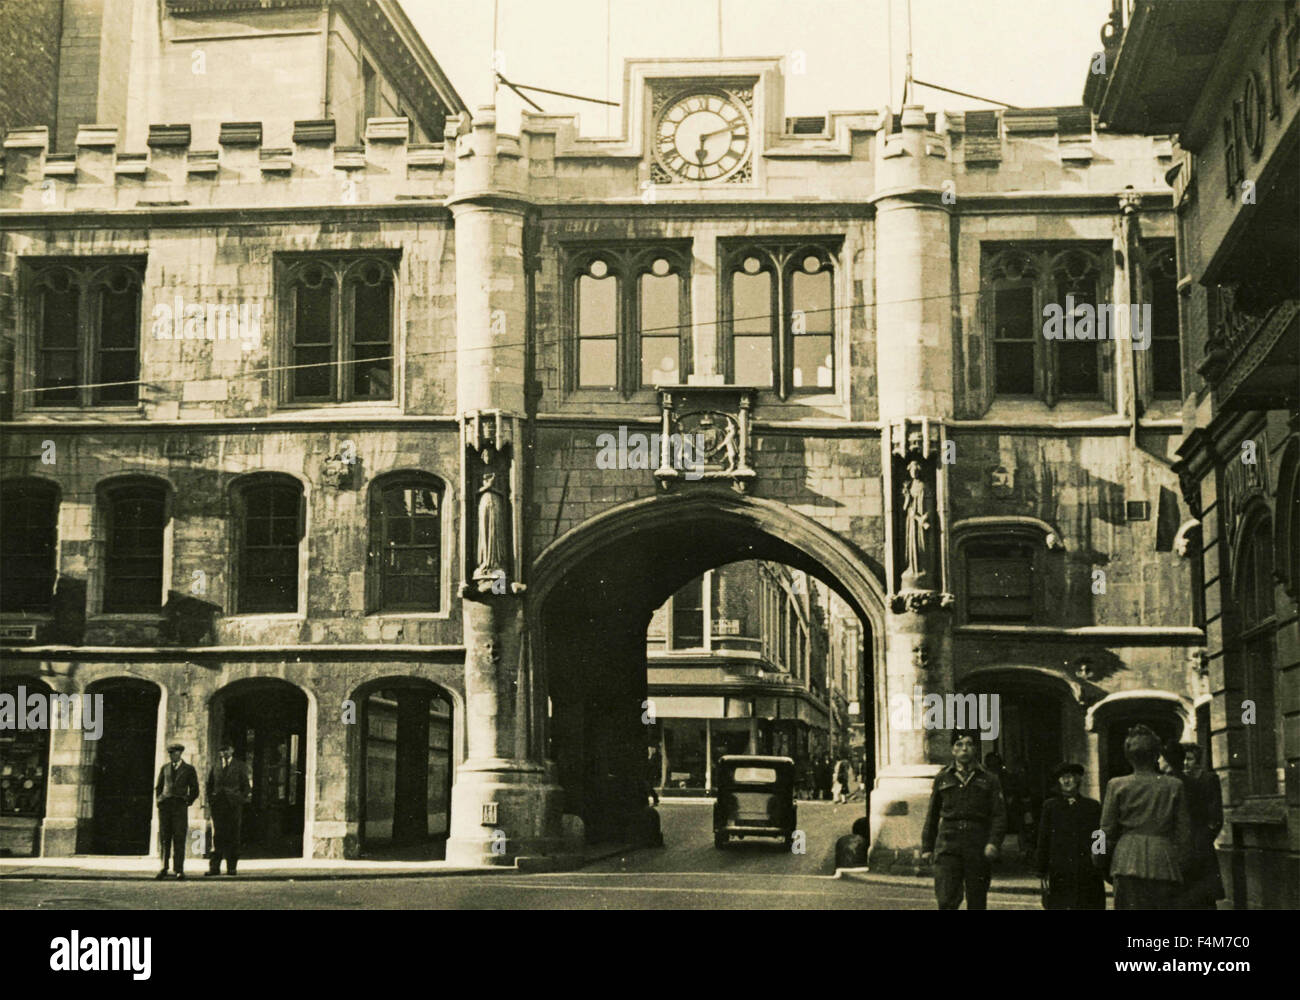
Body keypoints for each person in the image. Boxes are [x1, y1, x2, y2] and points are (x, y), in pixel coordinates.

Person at [1096, 725, 1192, 909]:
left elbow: (1104, 830)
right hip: (1164, 861)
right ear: (1157, 755)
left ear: (1128, 756)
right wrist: (1178, 863)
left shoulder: (1116, 785)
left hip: (1126, 860)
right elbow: (1184, 834)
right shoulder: (1174, 785)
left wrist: (1097, 857)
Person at [921, 732, 1007, 910]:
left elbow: (999, 815)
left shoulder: (989, 779)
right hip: (948, 845)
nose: (964, 749)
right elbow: (933, 813)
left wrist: (993, 843)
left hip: (977, 845)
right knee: (946, 899)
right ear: (953, 750)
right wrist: (927, 847)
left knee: (977, 899)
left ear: (975, 749)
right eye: (959, 744)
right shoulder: (943, 777)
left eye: (969, 744)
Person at [1034, 762, 1106, 910]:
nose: (1067, 781)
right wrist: (1041, 870)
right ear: (1058, 781)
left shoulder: (1092, 807)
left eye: (1071, 777)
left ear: (1078, 780)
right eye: (1063, 778)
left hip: (1086, 871)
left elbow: (1099, 837)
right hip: (1060, 871)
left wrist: (1099, 863)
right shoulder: (1050, 807)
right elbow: (1044, 839)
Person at [1178, 742, 1225, 909]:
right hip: (1182, 844)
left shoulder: (1208, 779)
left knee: (1204, 896)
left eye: (1189, 759)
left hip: (1201, 844)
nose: (1185, 763)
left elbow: (1216, 816)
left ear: (1197, 760)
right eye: (1182, 759)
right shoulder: (1177, 781)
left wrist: (1203, 839)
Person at [154, 742, 199, 880]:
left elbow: (195, 789)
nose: (172, 755)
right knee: (164, 838)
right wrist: (159, 801)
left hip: (179, 807)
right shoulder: (165, 768)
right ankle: (164, 867)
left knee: (179, 838)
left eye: (174, 753)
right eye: (170, 753)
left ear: (180, 753)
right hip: (165, 807)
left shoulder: (189, 769)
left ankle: (179, 869)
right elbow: (159, 786)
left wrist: (187, 801)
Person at [205, 742, 251, 877]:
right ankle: (214, 868)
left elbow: (246, 787)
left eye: (226, 750)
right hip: (218, 805)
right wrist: (211, 800)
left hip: (233, 806)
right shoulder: (216, 765)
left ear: (232, 750)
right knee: (217, 836)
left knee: (233, 836)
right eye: (221, 750)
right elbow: (209, 784)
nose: (224, 753)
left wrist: (239, 800)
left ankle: (231, 867)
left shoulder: (239, 766)